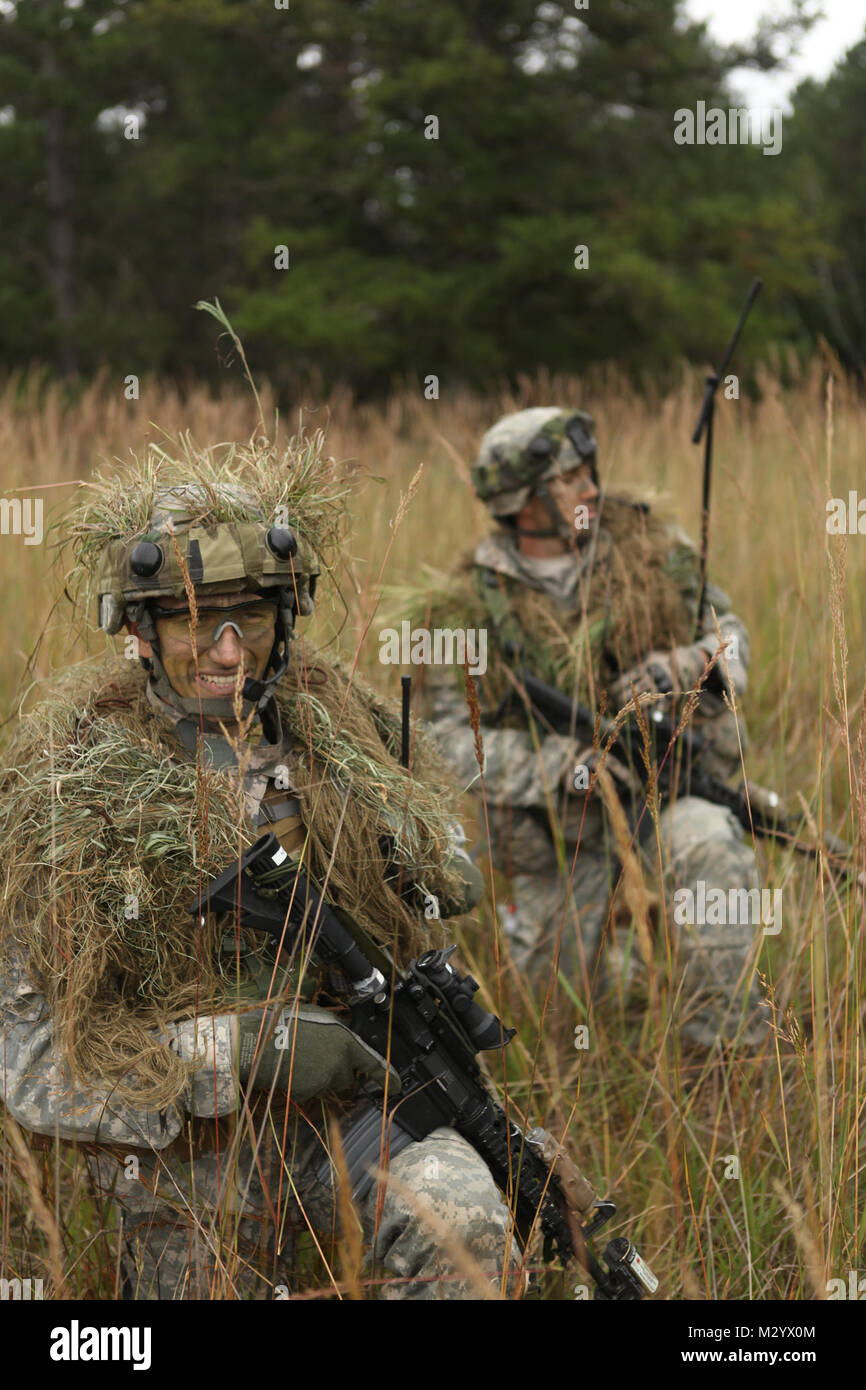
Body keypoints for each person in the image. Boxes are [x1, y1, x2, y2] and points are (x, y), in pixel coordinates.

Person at [0, 438, 516, 1300]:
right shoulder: (70, 788)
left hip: (357, 1114)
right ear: (138, 627)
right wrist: (235, 1052)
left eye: (253, 619)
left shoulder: (342, 733)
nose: (229, 652)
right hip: (188, 1153)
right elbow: (33, 1069)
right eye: (196, 619)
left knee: (467, 1229)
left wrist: (426, 868)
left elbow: (438, 871)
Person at [415, 406, 769, 1050]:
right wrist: (566, 766)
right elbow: (445, 744)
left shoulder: (654, 552)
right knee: (554, 1015)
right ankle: (634, 952)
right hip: (556, 830)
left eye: (589, 472)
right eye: (569, 479)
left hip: (667, 789)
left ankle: (718, 1048)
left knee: (712, 843)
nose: (591, 490)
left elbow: (734, 640)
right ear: (523, 501)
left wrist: (691, 661)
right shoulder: (463, 606)